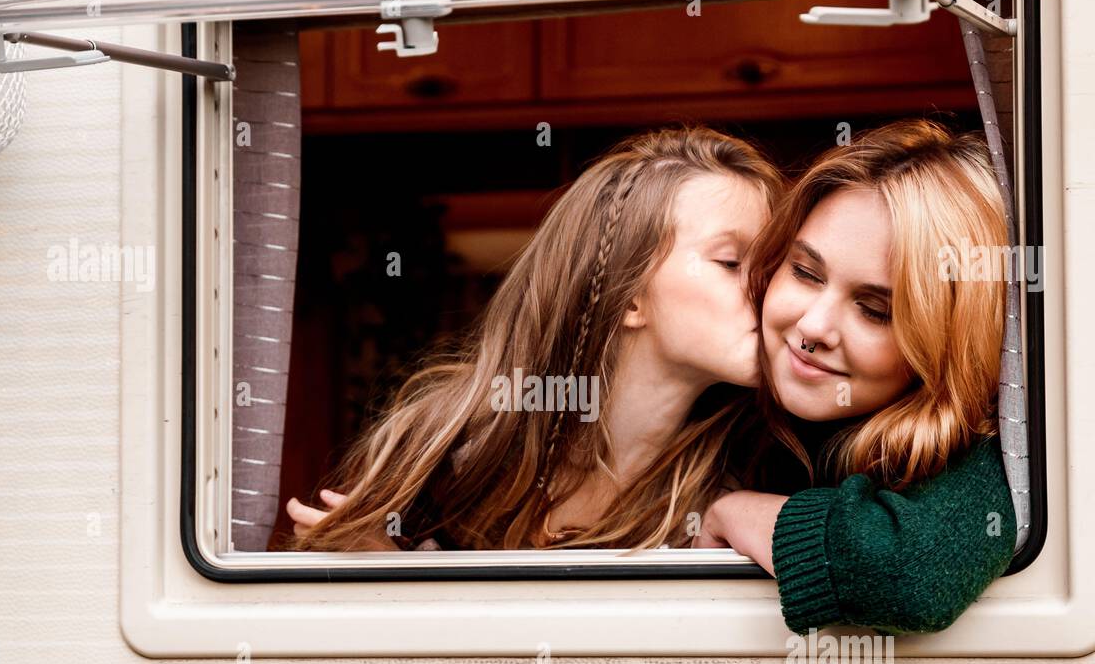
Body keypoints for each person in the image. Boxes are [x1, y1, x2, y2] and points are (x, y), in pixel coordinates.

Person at [283, 125, 785, 552]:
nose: (770, 293)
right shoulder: (449, 447)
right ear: (628, 296)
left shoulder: (763, 464)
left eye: (770, 267)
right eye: (731, 263)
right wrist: (385, 583)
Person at [693, 119, 1019, 635]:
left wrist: (735, 513)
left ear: (949, 342)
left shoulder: (989, 447)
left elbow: (906, 575)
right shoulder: (726, 400)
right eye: (805, 272)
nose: (813, 326)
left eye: (873, 310)